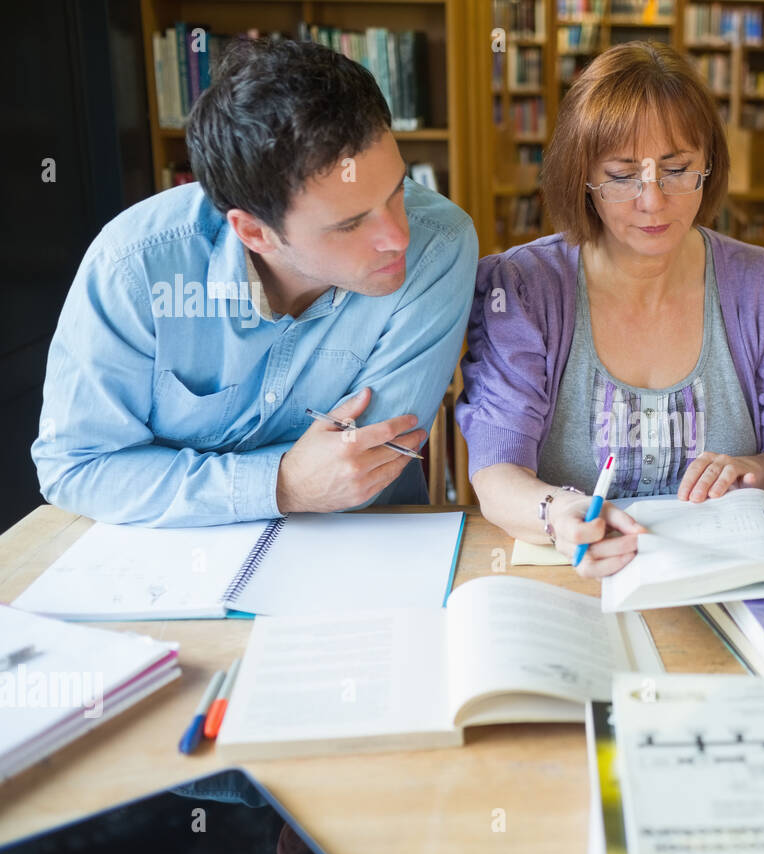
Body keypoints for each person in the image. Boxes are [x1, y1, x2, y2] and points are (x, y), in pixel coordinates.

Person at [31, 38, 476, 527]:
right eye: (350, 224)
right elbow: (78, 467)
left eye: (396, 192)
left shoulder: (439, 245)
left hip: (364, 553)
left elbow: (368, 467)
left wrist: (174, 480)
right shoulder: (133, 266)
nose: (397, 237)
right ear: (254, 232)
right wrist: (281, 483)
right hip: (167, 572)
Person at [457, 41, 764, 577]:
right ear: (583, 175)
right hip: (571, 578)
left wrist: (752, 472)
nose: (652, 201)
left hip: (723, 578)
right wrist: (560, 514)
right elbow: (495, 472)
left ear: (709, 165)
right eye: (623, 176)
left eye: (676, 169)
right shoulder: (525, 290)